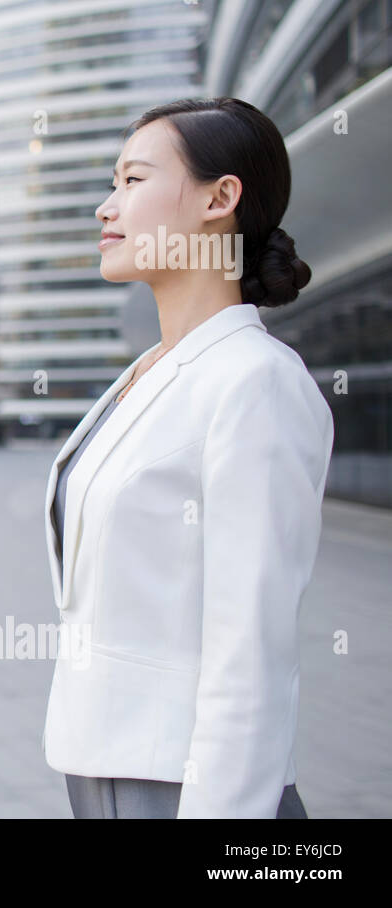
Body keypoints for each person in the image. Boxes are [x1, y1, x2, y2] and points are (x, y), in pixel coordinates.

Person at [42, 97, 334, 818]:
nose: (108, 208)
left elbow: (251, 654)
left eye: (134, 181)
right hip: (101, 763)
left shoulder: (255, 381)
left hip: (191, 784)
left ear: (219, 197)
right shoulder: (150, 371)